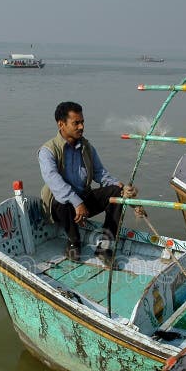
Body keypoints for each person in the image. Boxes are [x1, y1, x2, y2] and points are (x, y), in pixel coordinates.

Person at [38, 101, 138, 262]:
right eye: (76, 123)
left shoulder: (87, 147)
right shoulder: (48, 150)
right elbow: (54, 181)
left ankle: (104, 247)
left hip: (83, 203)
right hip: (60, 208)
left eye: (82, 122)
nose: (81, 127)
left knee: (115, 192)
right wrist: (77, 203)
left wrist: (121, 187)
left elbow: (100, 173)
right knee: (61, 200)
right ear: (61, 124)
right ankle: (73, 242)